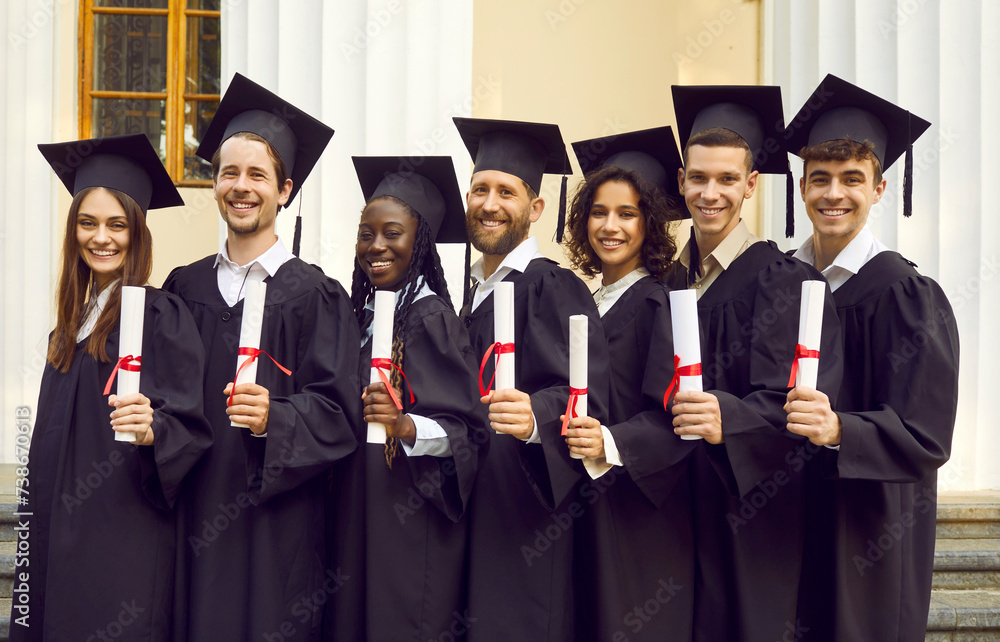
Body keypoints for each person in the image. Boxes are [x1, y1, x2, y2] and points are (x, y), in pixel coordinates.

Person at [162, 74, 361, 642]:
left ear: (285, 190)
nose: (241, 187)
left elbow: (340, 414)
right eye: (229, 173)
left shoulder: (316, 297)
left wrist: (279, 416)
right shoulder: (183, 289)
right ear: (215, 184)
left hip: (278, 529)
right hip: (193, 517)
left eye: (257, 175)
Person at [14, 134, 212, 642]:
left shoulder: (161, 316)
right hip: (57, 533)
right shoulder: (69, 327)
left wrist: (154, 430)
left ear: (137, 233)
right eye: (88, 222)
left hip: (122, 538)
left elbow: (190, 427)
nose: (101, 237)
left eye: (116, 224)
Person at [784, 74, 959, 641]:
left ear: (880, 189)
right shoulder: (780, 282)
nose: (834, 193)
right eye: (820, 180)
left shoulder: (904, 293)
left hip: (867, 524)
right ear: (801, 188)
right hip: (783, 522)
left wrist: (840, 429)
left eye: (852, 180)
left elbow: (927, 434)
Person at [665, 85, 844, 642]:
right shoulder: (667, 282)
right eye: (698, 178)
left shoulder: (785, 282)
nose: (710, 192)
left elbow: (793, 406)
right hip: (668, 514)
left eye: (725, 179)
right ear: (681, 183)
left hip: (753, 518)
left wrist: (729, 420)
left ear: (750, 185)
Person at [452, 117, 610, 641]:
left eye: (506, 191)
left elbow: (585, 392)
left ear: (536, 208)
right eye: (480, 189)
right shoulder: (466, 294)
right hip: (464, 510)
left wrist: (535, 417)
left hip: (523, 515)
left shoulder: (553, 287)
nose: (489, 203)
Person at [563, 126, 698, 641]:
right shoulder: (583, 300)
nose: (610, 226)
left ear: (651, 223)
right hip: (587, 505)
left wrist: (611, 441)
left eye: (627, 214)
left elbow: (676, 417)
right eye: (599, 212)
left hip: (640, 515)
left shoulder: (657, 305)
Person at [348, 155, 489, 640]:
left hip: (409, 522)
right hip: (354, 513)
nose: (377, 246)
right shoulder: (356, 317)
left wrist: (404, 424)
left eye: (393, 233)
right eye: (367, 233)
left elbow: (467, 432)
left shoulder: (431, 319)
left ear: (420, 242)